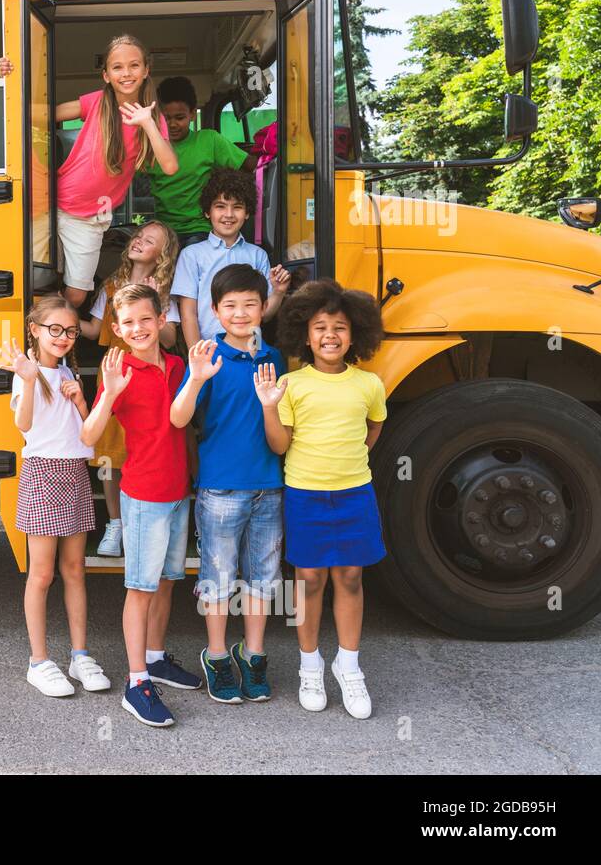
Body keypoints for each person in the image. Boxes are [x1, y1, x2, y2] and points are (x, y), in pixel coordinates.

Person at [256, 278, 388, 720]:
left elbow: (372, 430)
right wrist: (270, 406)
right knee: (310, 579)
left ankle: (348, 666)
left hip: (354, 493)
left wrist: (348, 462)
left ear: (355, 335)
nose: (330, 335)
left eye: (340, 327)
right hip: (306, 494)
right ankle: (309, 664)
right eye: (320, 327)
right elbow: (279, 446)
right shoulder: (291, 384)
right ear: (304, 334)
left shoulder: (369, 383)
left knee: (350, 576)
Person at [80, 284, 202, 728]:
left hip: (176, 492)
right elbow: (89, 437)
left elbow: (181, 422)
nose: (138, 328)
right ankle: (136, 684)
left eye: (146, 319)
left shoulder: (175, 366)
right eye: (128, 323)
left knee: (169, 580)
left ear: (162, 318)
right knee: (141, 587)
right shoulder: (118, 371)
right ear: (116, 329)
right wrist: (110, 392)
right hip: (143, 495)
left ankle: (154, 658)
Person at [170, 264, 284, 704]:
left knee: (263, 579)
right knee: (218, 579)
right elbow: (179, 418)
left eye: (250, 304)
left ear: (263, 308)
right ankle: (217, 656)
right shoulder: (207, 355)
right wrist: (197, 378)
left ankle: (253, 656)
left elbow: (278, 430)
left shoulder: (273, 358)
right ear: (215, 310)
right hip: (220, 488)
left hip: (268, 485)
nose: (240, 313)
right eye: (230, 305)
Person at [2, 36, 179, 307]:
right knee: (30, 281)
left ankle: (56, 333)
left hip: (87, 219)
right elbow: (43, 113)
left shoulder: (152, 117)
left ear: (146, 70)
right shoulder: (97, 102)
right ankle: (37, 338)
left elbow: (170, 166)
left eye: (134, 65)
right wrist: (9, 81)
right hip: (48, 203)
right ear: (106, 75)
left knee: (77, 293)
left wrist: (147, 123)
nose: (126, 73)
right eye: (117, 67)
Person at [0, 296, 111, 698]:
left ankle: (80, 655)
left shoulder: (69, 373)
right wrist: (29, 379)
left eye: (71, 331)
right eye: (55, 329)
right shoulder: (26, 373)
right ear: (35, 329)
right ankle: (39, 661)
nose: (63, 337)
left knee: (76, 569)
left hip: (75, 474)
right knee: (42, 574)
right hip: (43, 474)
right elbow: (24, 425)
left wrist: (81, 400)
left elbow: (87, 437)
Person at [79, 220, 180, 557]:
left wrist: (158, 300)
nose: (138, 241)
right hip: (113, 374)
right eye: (138, 236)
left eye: (149, 240)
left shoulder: (164, 289)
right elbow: (94, 331)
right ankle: (115, 523)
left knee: (139, 447)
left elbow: (170, 338)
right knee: (109, 453)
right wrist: (57, 314)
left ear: (161, 255)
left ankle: (143, 515)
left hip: (148, 375)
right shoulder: (112, 285)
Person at [172, 167, 291, 346]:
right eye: (220, 206)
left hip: (251, 351)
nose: (228, 214)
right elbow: (188, 313)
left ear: (247, 213)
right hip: (209, 351)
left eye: (237, 207)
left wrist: (279, 292)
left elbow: (264, 314)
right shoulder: (192, 255)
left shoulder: (257, 255)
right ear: (207, 211)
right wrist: (196, 357)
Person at [145, 76, 258, 248]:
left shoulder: (209, 141)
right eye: (166, 118)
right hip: (163, 229)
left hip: (199, 230)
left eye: (179, 117)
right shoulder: (148, 148)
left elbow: (252, 166)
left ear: (192, 114)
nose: (172, 124)